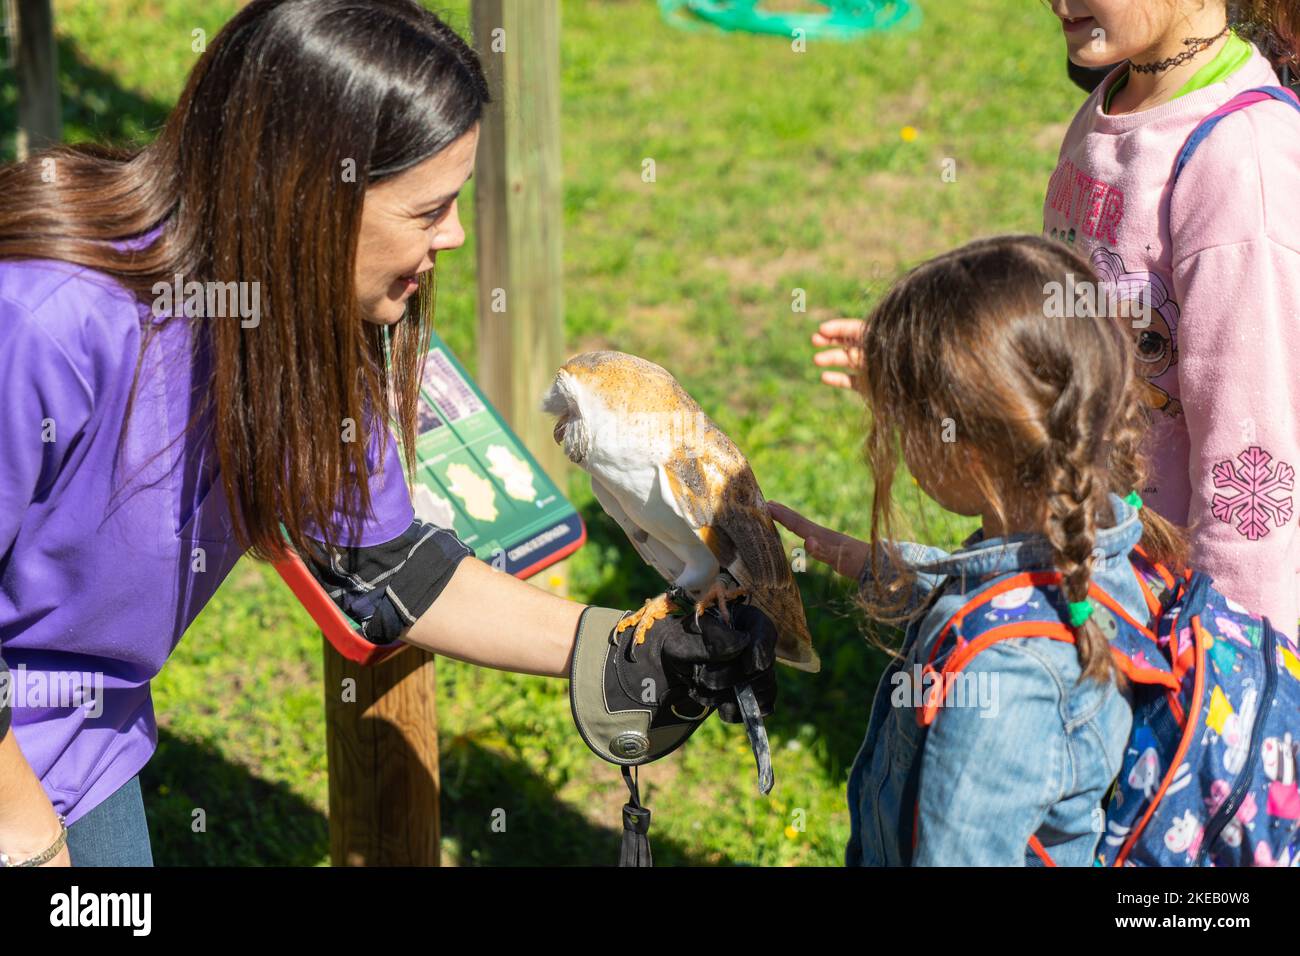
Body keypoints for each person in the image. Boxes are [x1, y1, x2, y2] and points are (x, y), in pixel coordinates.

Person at [0, 0, 777, 868]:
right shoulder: (47, 320)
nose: (452, 236)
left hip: (85, 750)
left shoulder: (310, 319)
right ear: (303, 194)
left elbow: (390, 569)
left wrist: (619, 648)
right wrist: (27, 840)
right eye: (429, 209)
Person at [815, 0, 1300, 641]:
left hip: (1178, 637)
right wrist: (926, 366)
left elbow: (1254, 463)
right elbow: (1065, 344)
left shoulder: (1242, 161)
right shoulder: (1113, 103)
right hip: (1093, 577)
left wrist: (1235, 668)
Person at [771, 235, 1191, 865]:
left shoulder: (1005, 683)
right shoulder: (1105, 538)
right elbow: (1004, 599)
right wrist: (871, 563)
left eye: (905, 419)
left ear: (961, 446)